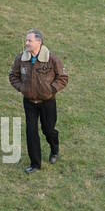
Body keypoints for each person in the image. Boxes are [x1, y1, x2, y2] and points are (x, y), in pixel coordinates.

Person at [9, 29, 69, 173]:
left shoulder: (52, 59)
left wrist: (51, 90)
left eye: (29, 40)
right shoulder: (21, 59)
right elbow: (13, 76)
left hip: (48, 102)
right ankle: (35, 164)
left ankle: (54, 149)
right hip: (29, 103)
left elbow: (63, 78)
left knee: (48, 130)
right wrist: (22, 88)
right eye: (26, 40)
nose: (26, 43)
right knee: (31, 132)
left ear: (39, 42)